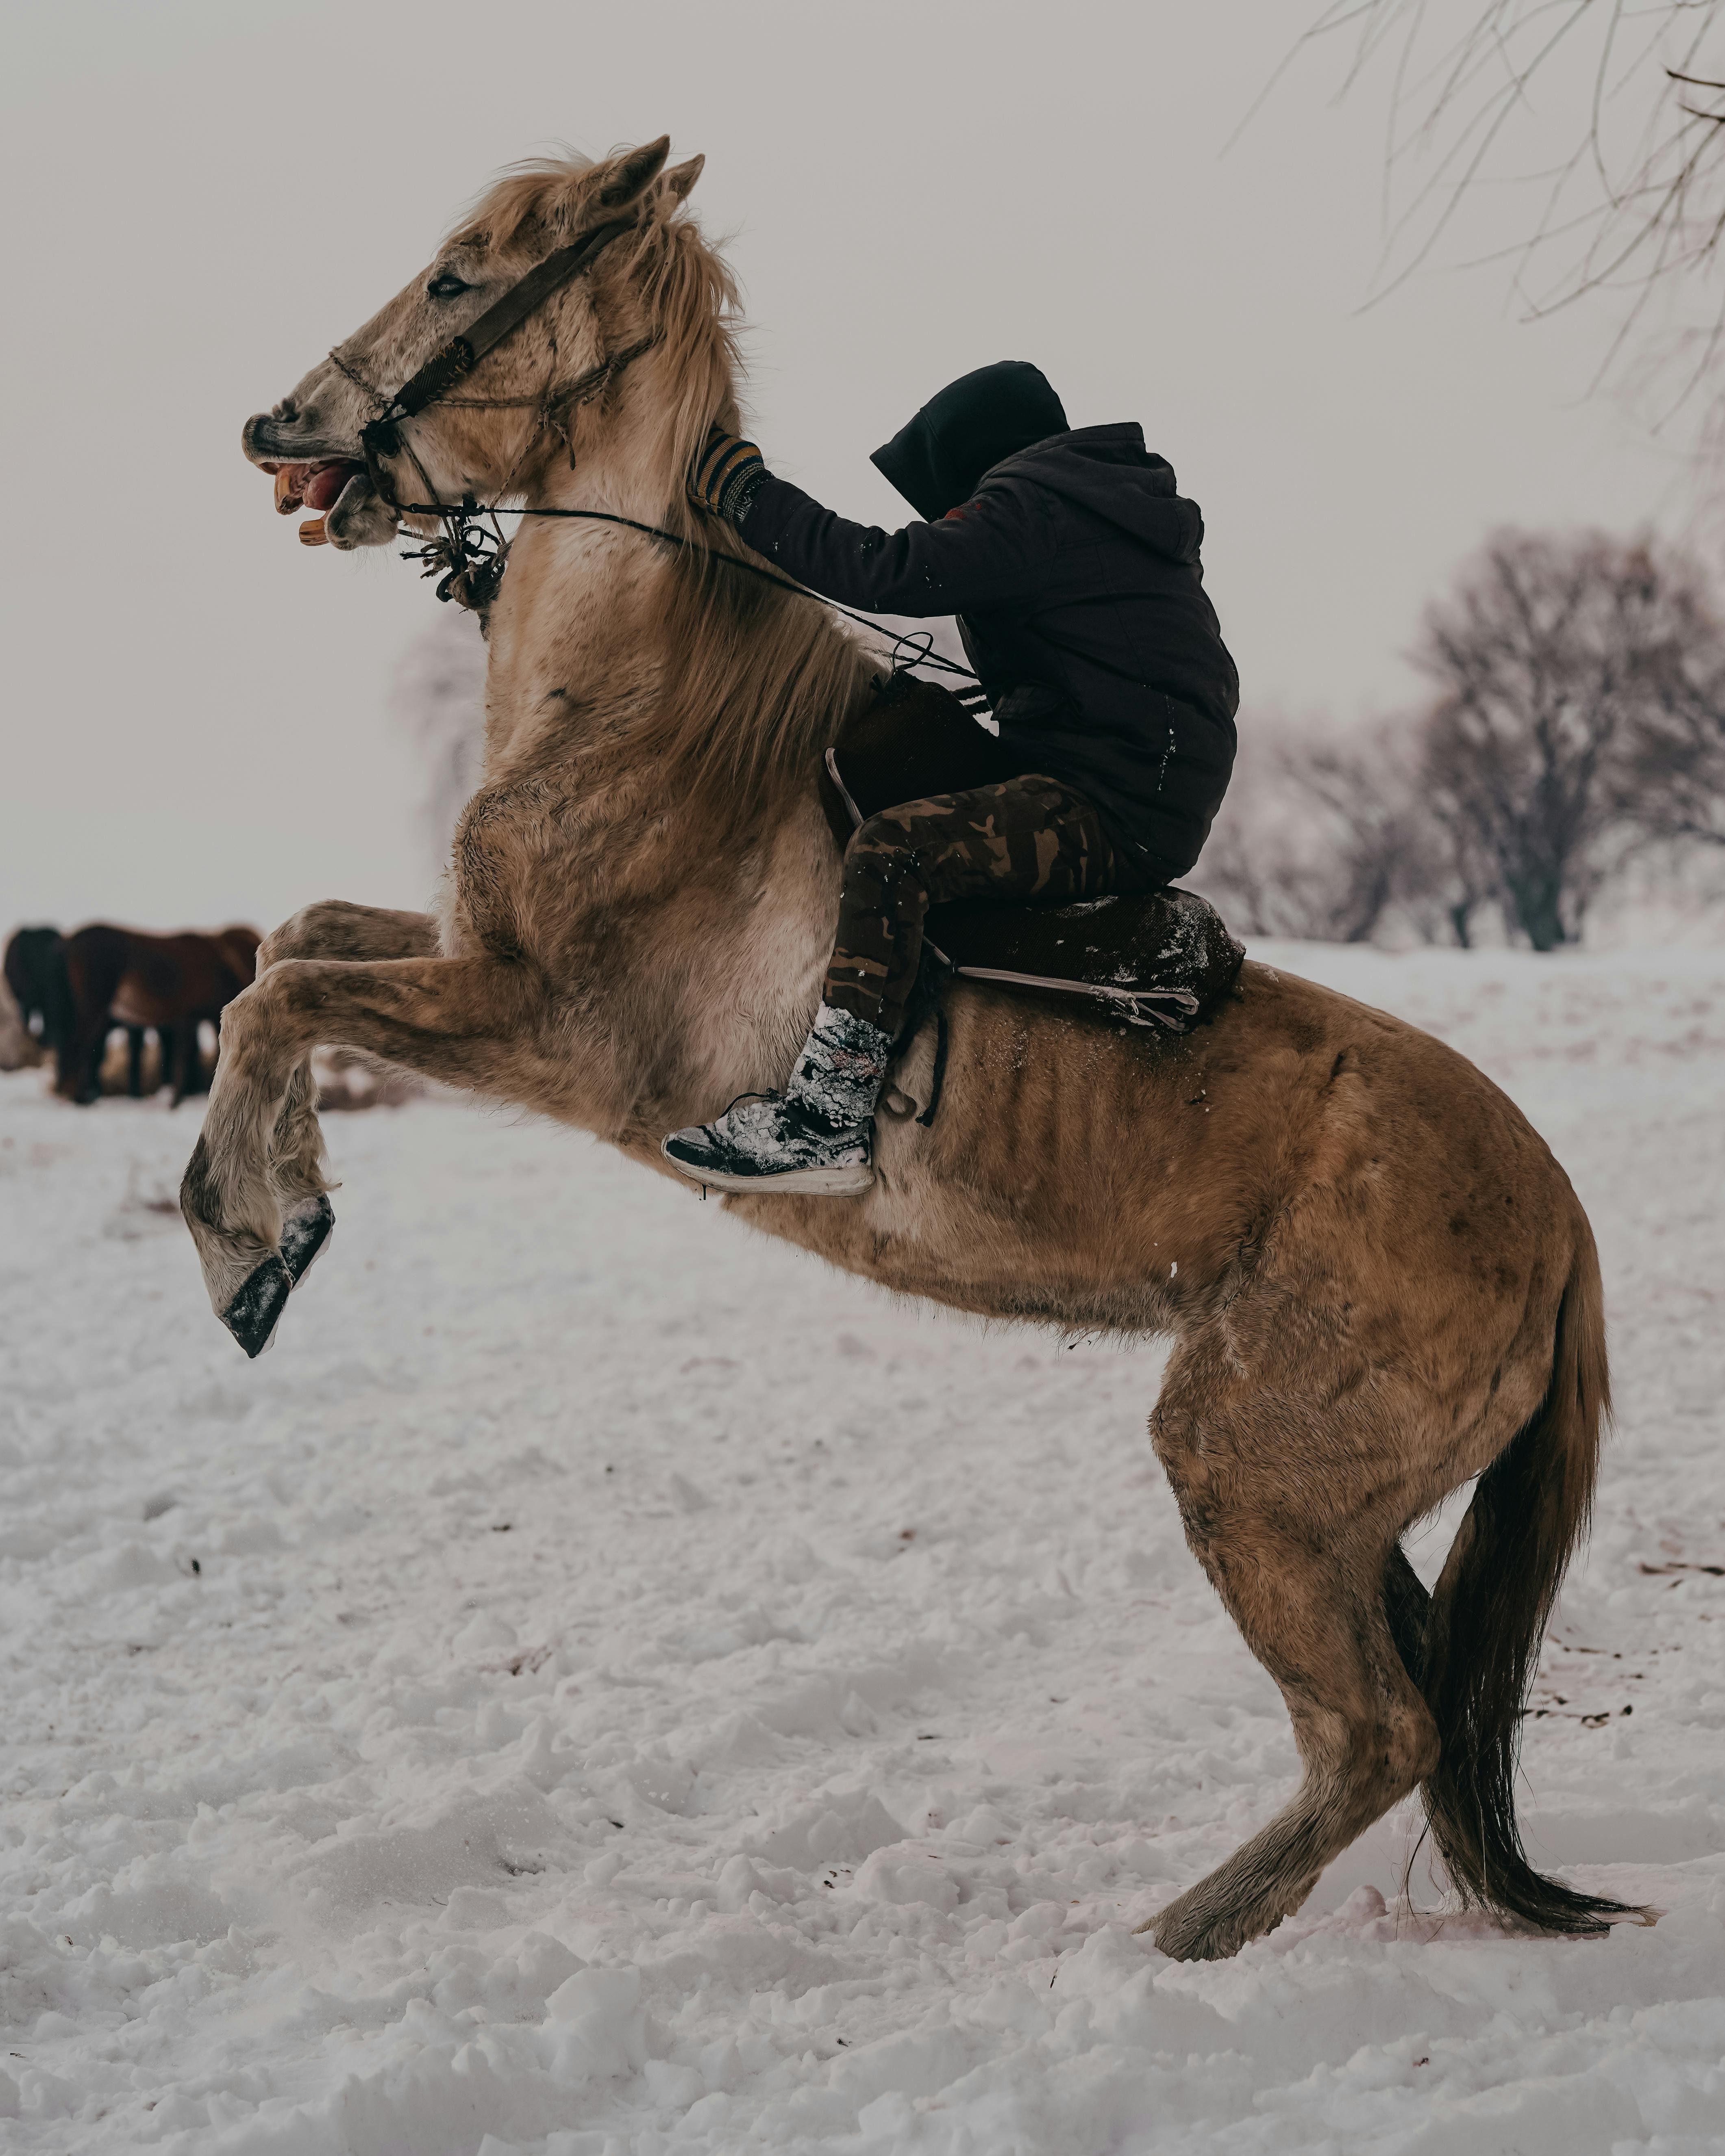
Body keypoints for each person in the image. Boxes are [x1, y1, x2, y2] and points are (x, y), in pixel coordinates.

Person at [660, 361, 1239, 1196]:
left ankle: (827, 1114)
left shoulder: (1035, 505)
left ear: (978, 462)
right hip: (1126, 781)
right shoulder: (1090, 506)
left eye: (949, 506)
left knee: (897, 849)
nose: (948, 522)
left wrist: (745, 492)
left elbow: (884, 572)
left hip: (1110, 806)